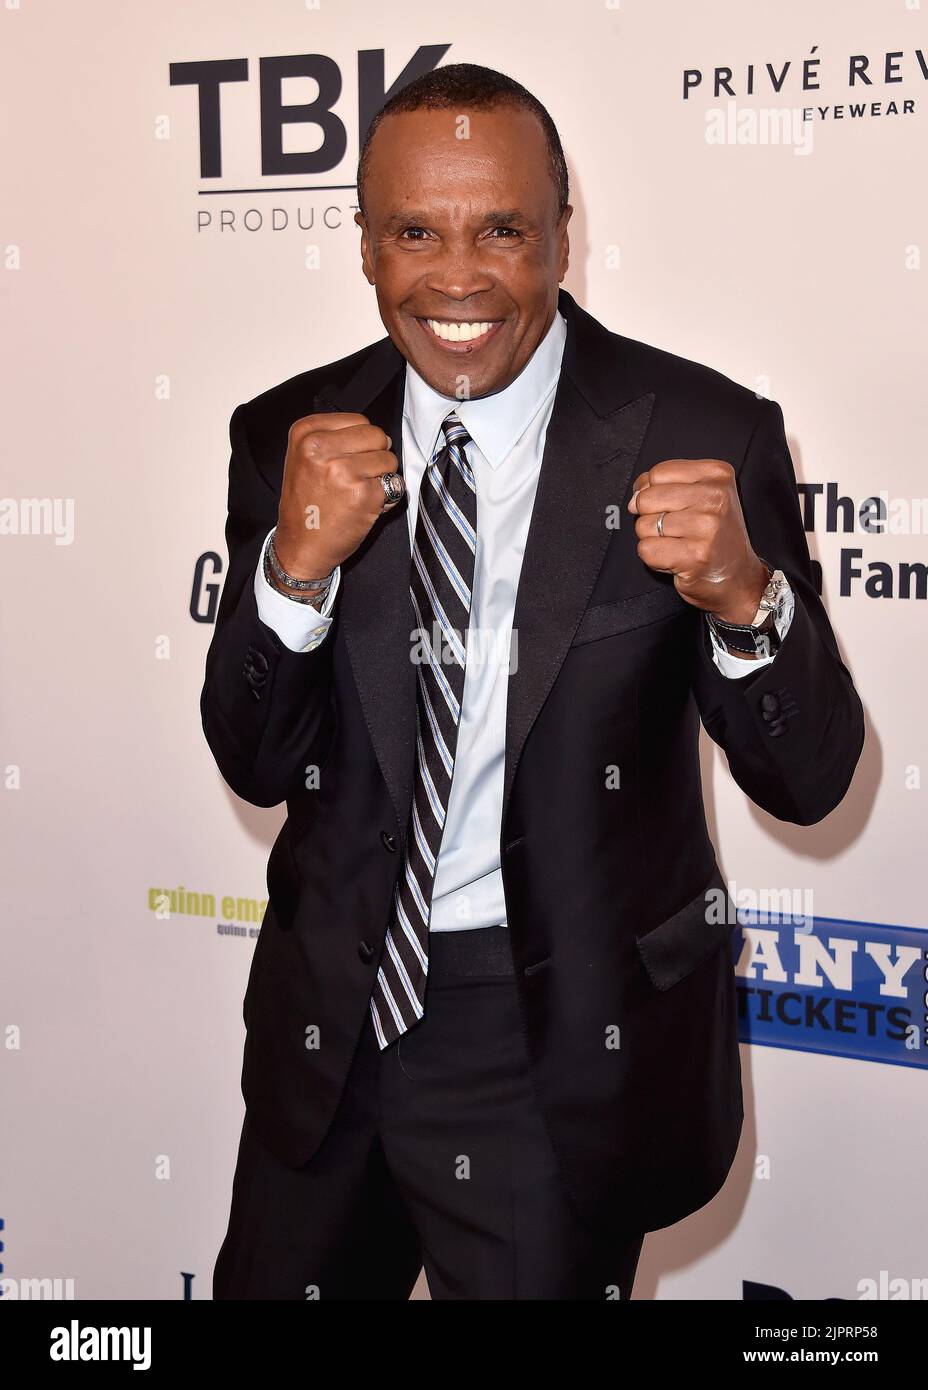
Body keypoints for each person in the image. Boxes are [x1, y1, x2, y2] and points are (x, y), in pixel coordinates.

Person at [201, 63, 864, 1300]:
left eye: (502, 229)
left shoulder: (702, 431)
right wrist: (291, 568)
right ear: (362, 247)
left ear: (564, 237)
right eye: (415, 233)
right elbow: (251, 755)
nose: (457, 279)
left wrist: (743, 599)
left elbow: (812, 779)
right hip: (330, 1026)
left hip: (552, 1044)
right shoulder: (286, 434)